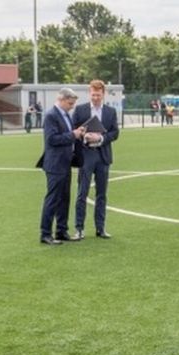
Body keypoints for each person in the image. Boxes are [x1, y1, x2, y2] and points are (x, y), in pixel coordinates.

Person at [72, 79, 120, 239]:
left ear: (103, 94)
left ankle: (100, 228)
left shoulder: (110, 112)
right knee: (82, 193)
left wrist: (100, 138)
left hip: (103, 156)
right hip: (86, 155)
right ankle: (79, 229)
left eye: (98, 95)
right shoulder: (80, 110)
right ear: (89, 93)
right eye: (93, 95)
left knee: (102, 194)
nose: (96, 98)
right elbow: (73, 131)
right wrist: (85, 136)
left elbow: (115, 133)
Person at [36, 87, 84, 245]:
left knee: (64, 198)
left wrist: (78, 133)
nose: (72, 106)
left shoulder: (66, 116)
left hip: (65, 163)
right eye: (70, 103)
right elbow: (52, 139)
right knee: (53, 199)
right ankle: (45, 233)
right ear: (62, 99)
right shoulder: (51, 115)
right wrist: (73, 135)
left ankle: (61, 230)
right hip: (55, 164)